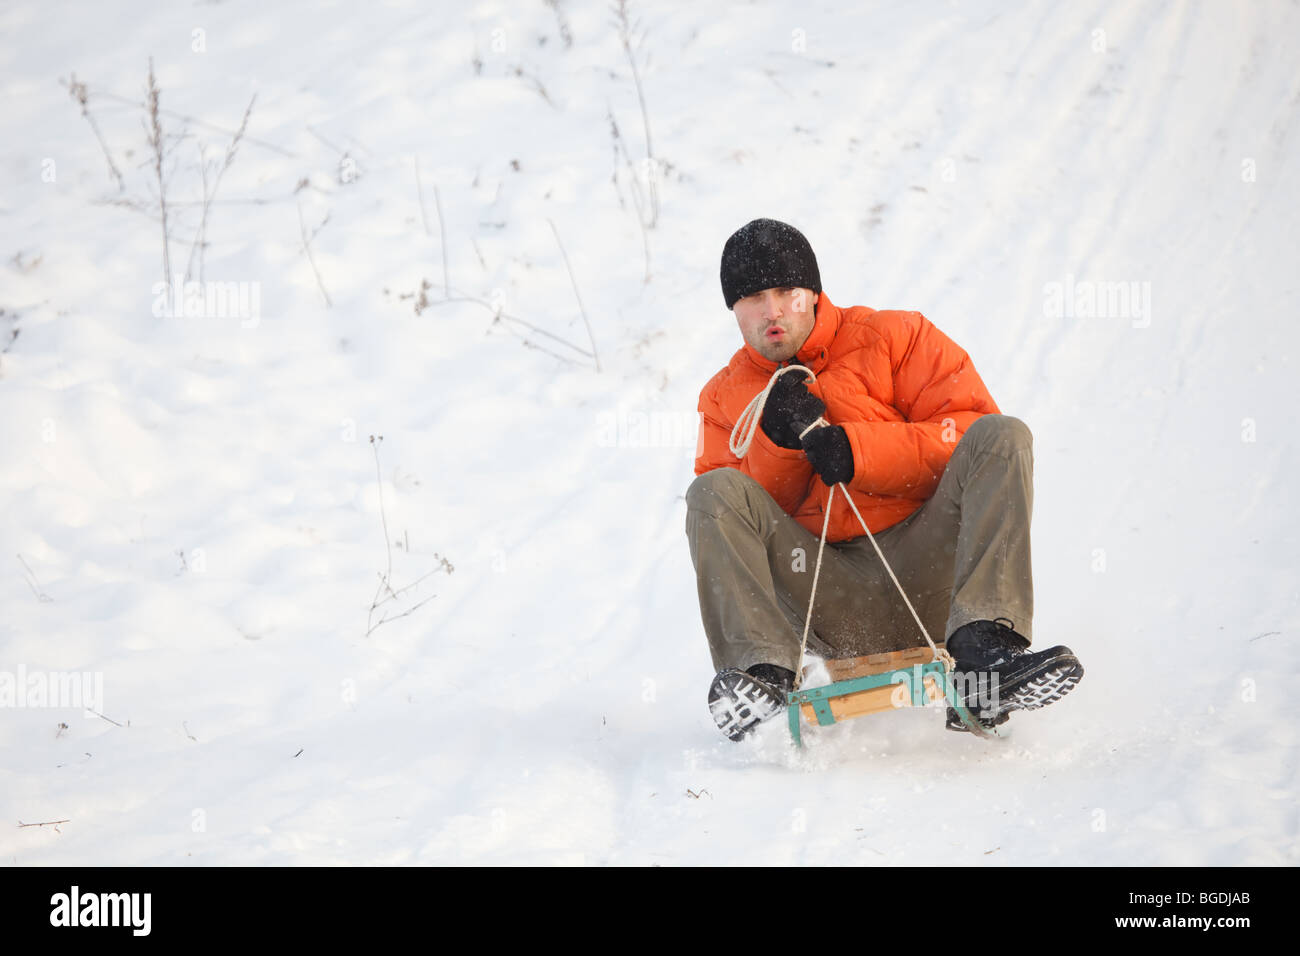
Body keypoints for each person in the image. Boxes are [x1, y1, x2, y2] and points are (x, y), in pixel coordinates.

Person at [686, 218, 1084, 741]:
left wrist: (859, 450)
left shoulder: (896, 337)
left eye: (788, 291)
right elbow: (731, 517)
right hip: (824, 596)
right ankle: (762, 682)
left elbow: (965, 431)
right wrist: (778, 449)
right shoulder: (723, 399)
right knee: (710, 494)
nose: (773, 311)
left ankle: (987, 655)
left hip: (929, 572)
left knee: (1002, 435)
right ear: (734, 308)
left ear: (814, 292)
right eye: (754, 297)